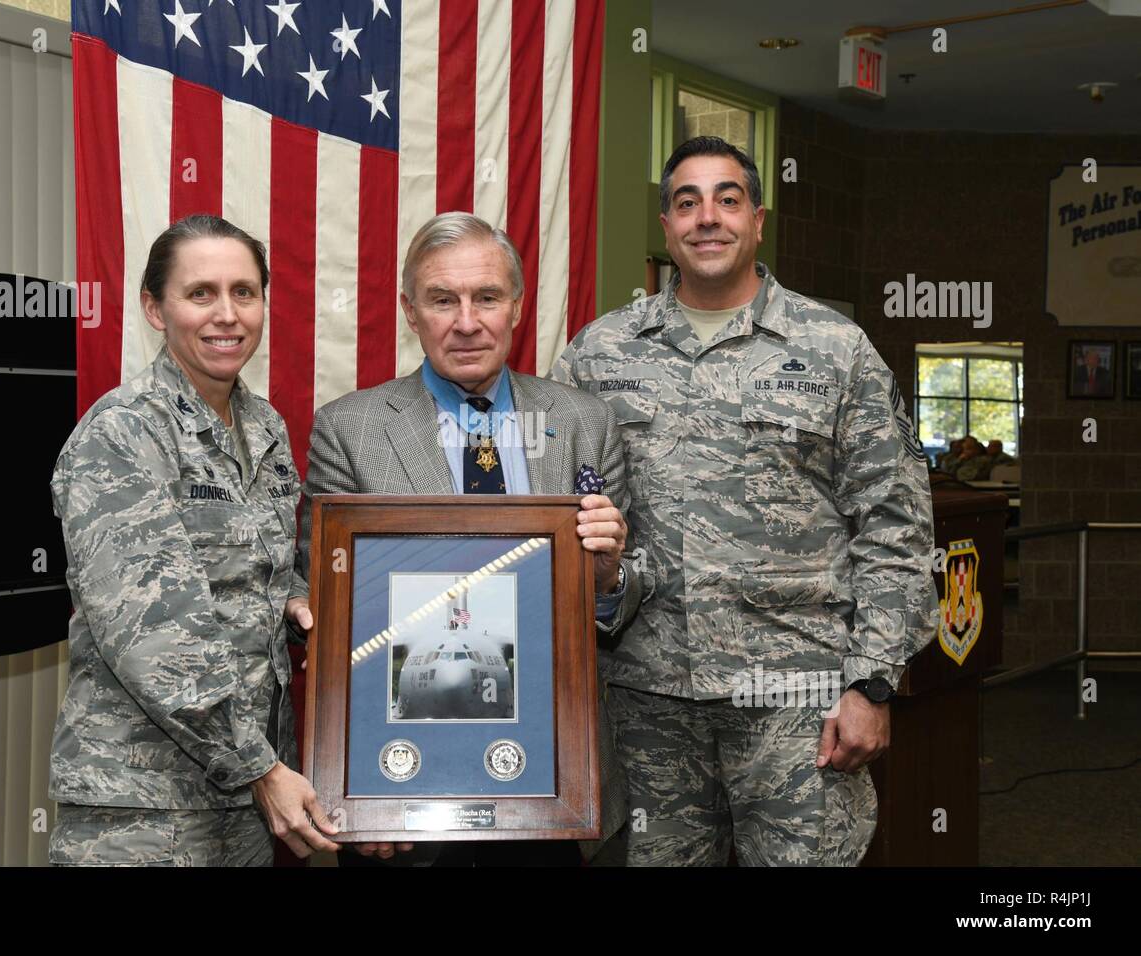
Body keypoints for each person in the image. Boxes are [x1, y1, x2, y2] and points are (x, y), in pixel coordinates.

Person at [552, 136, 937, 866]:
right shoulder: (599, 353)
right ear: (664, 225)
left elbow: (896, 525)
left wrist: (874, 683)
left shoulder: (834, 348)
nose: (708, 218)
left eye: (727, 199)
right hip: (646, 701)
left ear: (758, 219)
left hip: (798, 702)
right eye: (686, 202)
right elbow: (562, 514)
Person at [294, 211, 641, 866]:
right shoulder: (350, 430)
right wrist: (358, 786)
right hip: (399, 790)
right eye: (441, 299)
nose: (466, 320)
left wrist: (609, 573)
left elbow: (628, 595)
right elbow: (327, 610)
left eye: (486, 296)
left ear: (515, 305)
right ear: (410, 311)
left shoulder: (584, 423)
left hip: (557, 784)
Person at [47, 214, 339, 865]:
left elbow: (259, 567)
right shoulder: (122, 435)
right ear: (155, 307)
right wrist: (263, 768)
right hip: (143, 805)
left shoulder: (262, 426)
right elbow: (155, 630)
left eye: (245, 292)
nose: (227, 314)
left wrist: (299, 601)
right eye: (200, 293)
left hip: (242, 800)